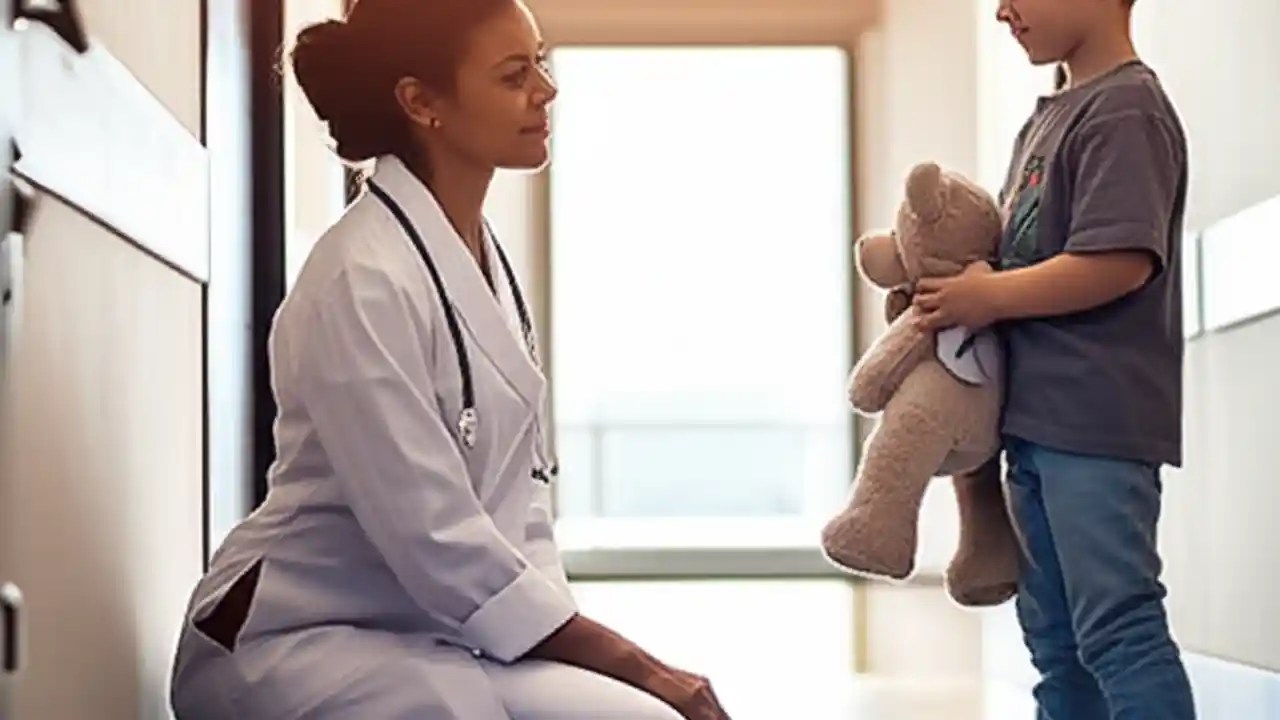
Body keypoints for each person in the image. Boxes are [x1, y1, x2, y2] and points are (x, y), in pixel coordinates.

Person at [168, 1, 730, 718]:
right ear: (421, 101)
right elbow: (435, 536)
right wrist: (639, 662)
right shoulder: (359, 280)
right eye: (513, 74)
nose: (546, 89)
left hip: (433, 630)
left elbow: (522, 505)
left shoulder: (479, 259)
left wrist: (609, 670)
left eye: (542, 63)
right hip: (297, 638)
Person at [911, 0, 1195, 719]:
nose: (1002, 11)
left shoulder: (1127, 110)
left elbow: (1119, 262)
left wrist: (989, 297)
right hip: (1036, 426)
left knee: (1118, 629)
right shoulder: (1050, 116)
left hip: (1095, 424)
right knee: (1055, 644)